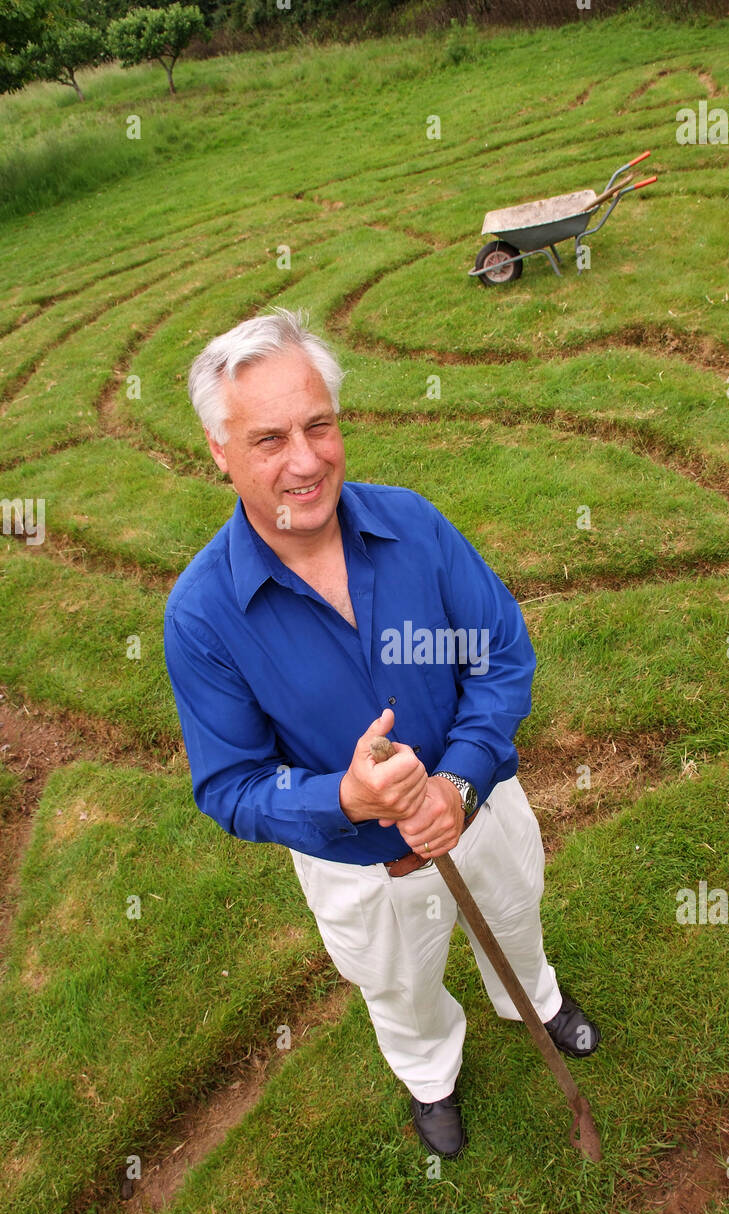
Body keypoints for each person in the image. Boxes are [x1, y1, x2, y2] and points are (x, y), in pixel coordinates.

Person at [163, 306, 600, 1159]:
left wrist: (459, 780)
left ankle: (532, 999)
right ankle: (430, 1072)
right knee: (399, 989)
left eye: (318, 425)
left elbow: (500, 653)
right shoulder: (202, 615)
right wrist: (345, 798)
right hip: (365, 873)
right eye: (268, 439)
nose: (304, 461)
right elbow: (229, 786)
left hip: (480, 813)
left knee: (515, 915)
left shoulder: (411, 523)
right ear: (219, 450)